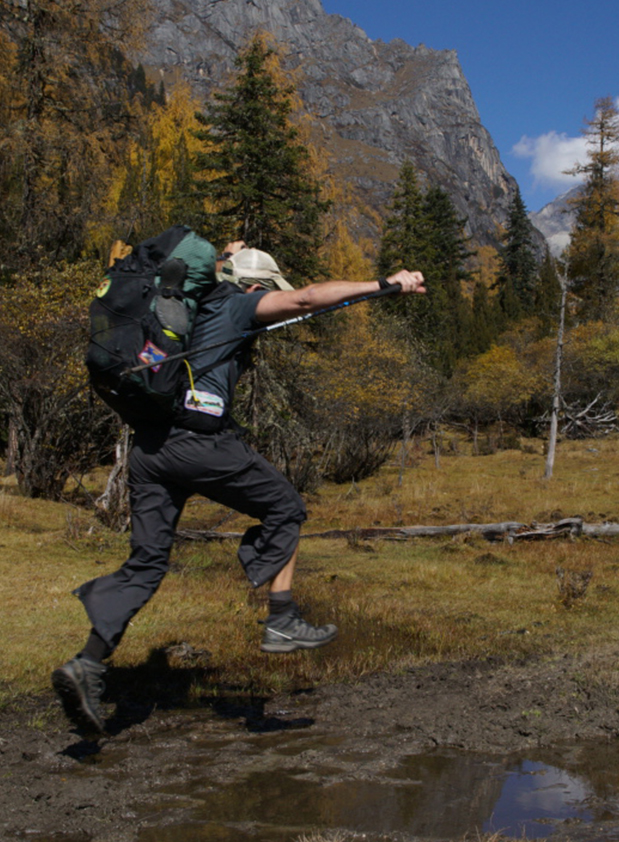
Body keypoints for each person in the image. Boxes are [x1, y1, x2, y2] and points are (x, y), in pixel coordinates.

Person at [52, 240, 426, 735]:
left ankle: (88, 664)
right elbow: (307, 298)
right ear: (255, 288)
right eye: (266, 294)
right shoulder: (237, 303)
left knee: (146, 564)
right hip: (198, 443)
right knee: (286, 507)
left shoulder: (194, 305)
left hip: (149, 450)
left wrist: (234, 253)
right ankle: (281, 617)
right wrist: (384, 284)